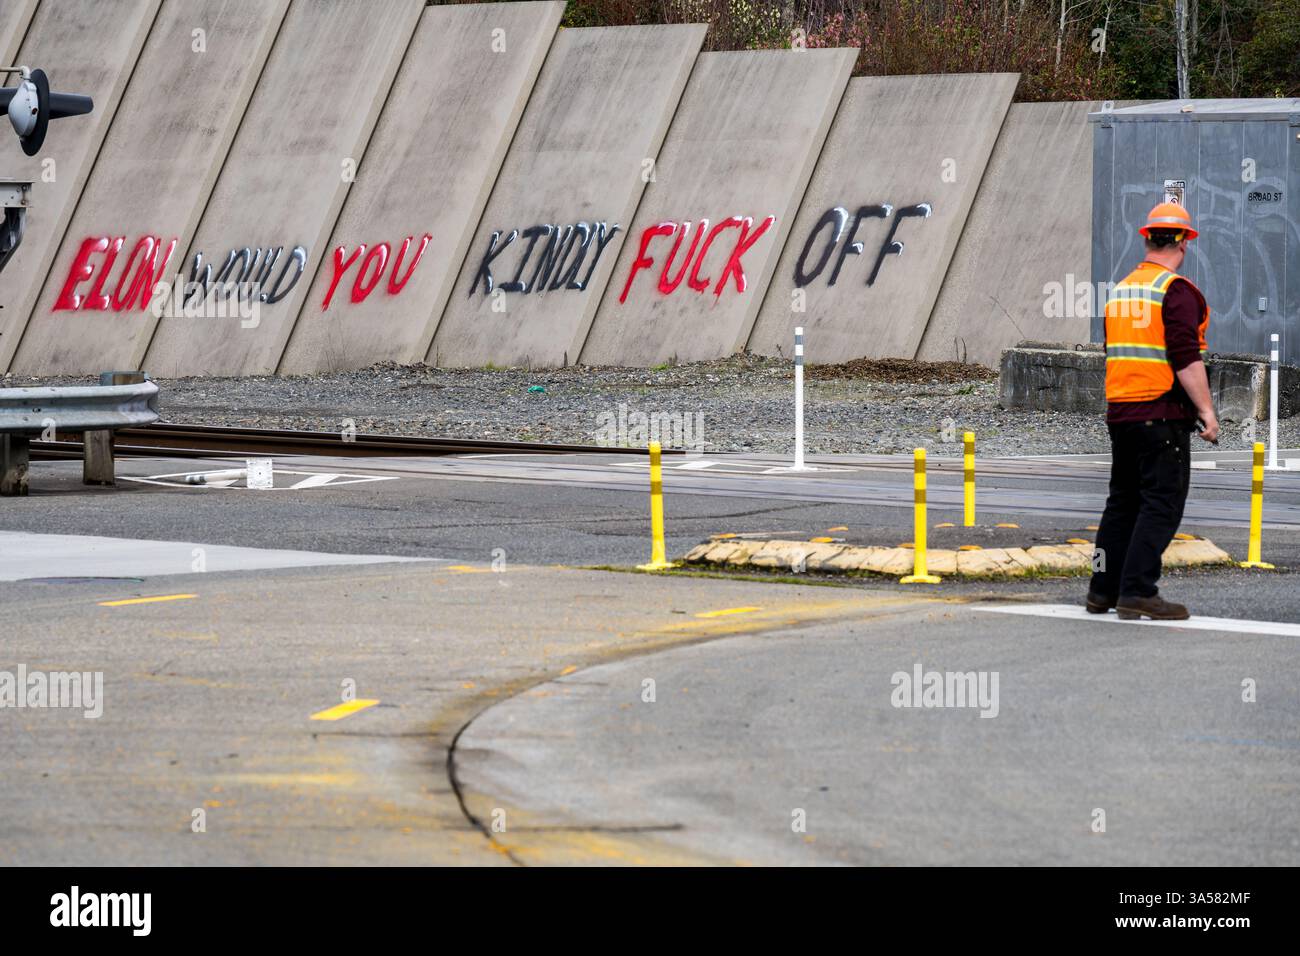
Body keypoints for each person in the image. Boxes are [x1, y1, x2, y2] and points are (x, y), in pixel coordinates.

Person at [1086, 202, 1220, 621]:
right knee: (1161, 503)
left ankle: (1100, 589)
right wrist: (1207, 412)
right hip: (1160, 415)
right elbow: (1185, 357)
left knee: (1121, 504)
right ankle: (1138, 591)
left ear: (1147, 238)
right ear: (1183, 243)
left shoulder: (1122, 290)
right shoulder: (1176, 291)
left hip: (1121, 414)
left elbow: (1116, 351)